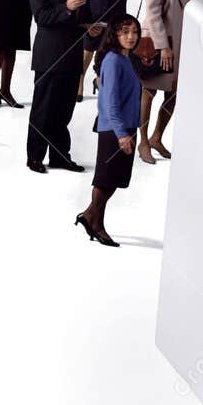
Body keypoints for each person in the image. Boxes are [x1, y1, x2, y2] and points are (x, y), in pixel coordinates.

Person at [27, 0, 100, 174]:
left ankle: (60, 156)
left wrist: (91, 26)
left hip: (72, 57)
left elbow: (84, 18)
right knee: (43, 109)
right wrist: (66, 8)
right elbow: (42, 17)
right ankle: (35, 157)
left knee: (64, 111)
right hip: (49, 57)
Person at [77, 15, 145, 247]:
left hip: (127, 126)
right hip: (115, 129)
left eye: (135, 32)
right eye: (125, 32)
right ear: (115, 34)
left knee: (113, 180)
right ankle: (94, 222)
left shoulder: (127, 60)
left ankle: (92, 218)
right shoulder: (113, 61)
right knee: (106, 179)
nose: (131, 37)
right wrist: (122, 134)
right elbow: (109, 102)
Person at [139, 0, 197, 163]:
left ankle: (157, 137)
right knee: (149, 92)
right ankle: (143, 142)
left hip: (181, 41)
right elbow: (152, 13)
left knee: (174, 92)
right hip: (156, 41)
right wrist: (163, 47)